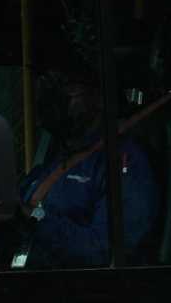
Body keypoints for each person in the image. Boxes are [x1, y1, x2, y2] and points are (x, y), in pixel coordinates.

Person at [19, 63, 159, 267]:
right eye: (52, 86)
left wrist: (33, 221)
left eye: (69, 86)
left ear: (100, 98)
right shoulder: (53, 162)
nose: (57, 96)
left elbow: (106, 251)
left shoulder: (124, 162)